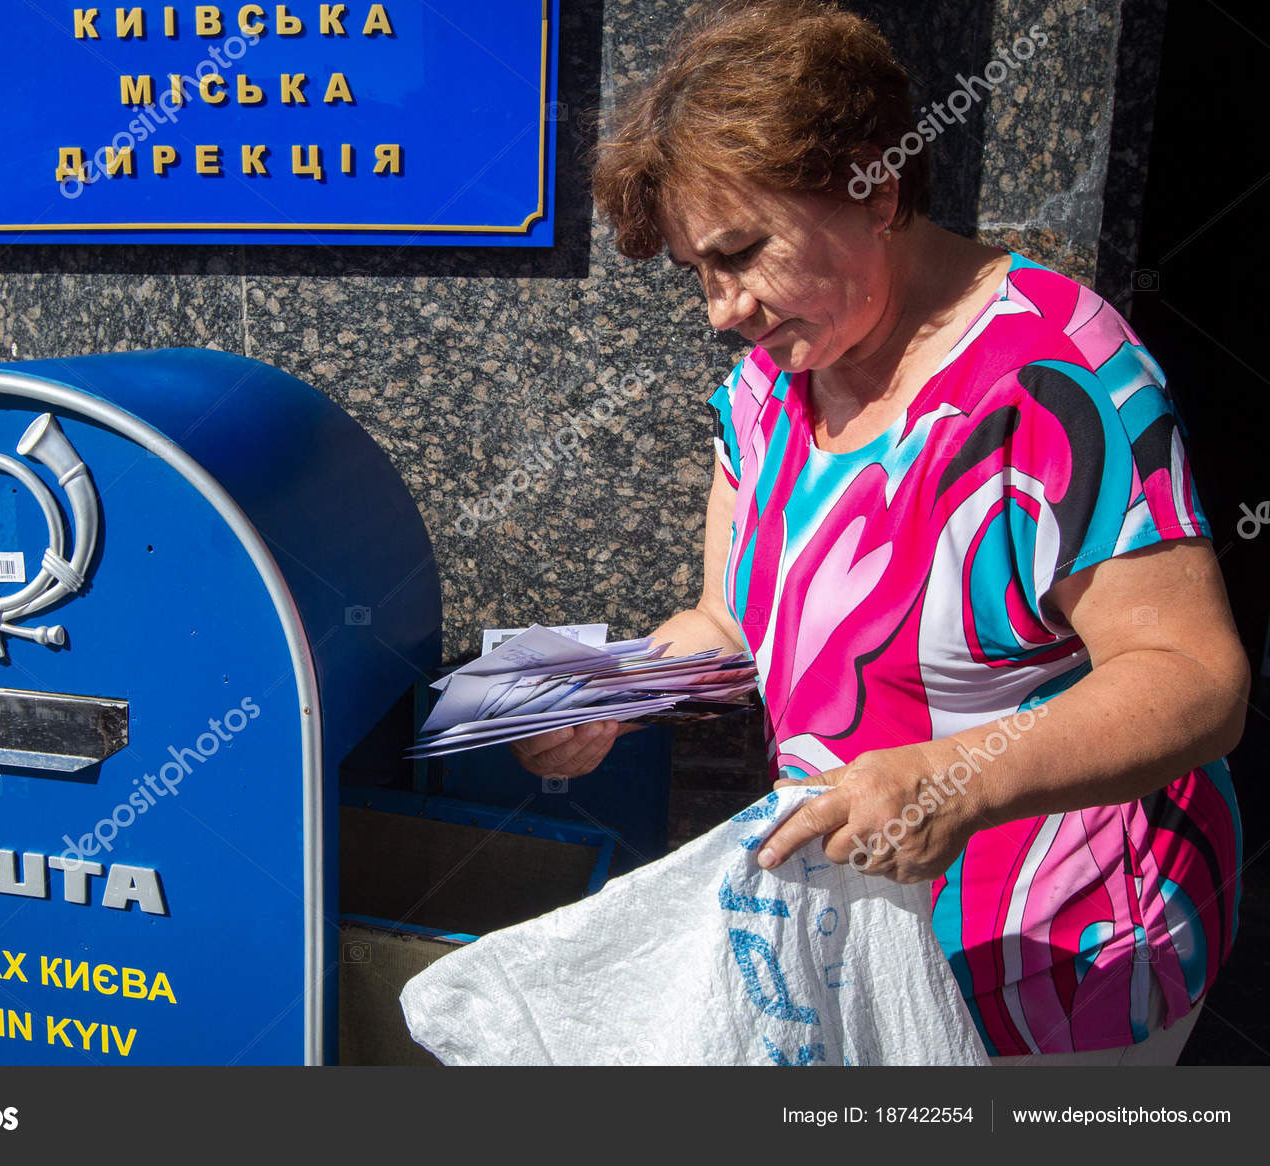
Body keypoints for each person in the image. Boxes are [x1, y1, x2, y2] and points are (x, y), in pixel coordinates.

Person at [512, 0, 1248, 1065]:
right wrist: (610, 694)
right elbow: (732, 617)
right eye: (696, 271)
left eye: (742, 253)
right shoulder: (770, 384)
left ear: (877, 185)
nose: (722, 309)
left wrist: (956, 778)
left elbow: (1192, 675)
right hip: (857, 945)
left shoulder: (1059, 375)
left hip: (1061, 961)